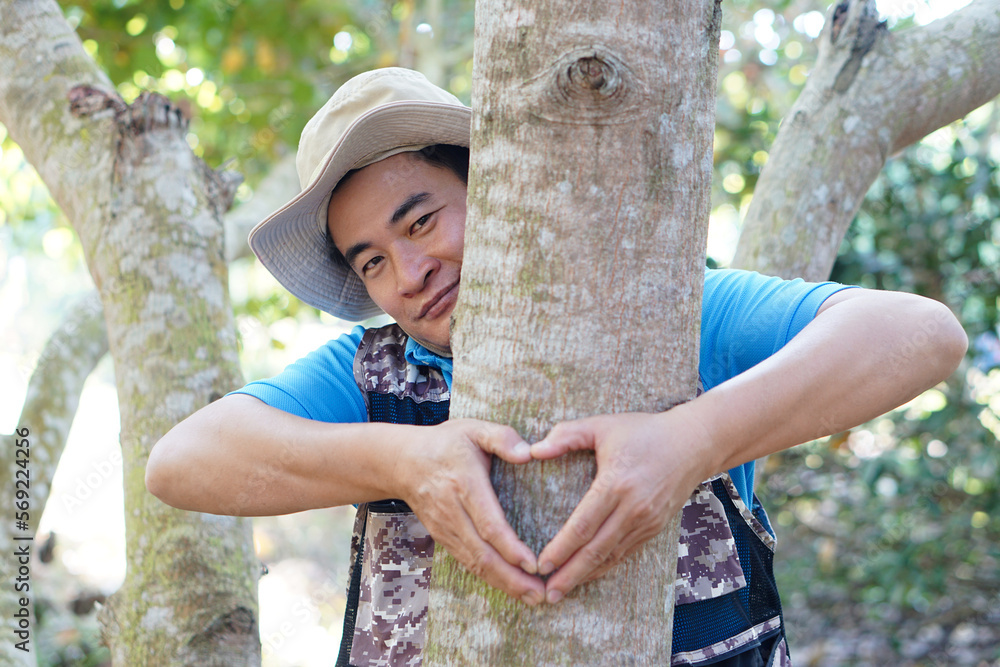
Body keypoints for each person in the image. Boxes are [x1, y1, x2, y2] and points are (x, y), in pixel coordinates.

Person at [145, 68, 967, 666]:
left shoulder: (661, 308)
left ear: (497, 190)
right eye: (371, 263)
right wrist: (402, 459)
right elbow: (182, 462)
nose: (409, 273)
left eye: (422, 220)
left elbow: (919, 333)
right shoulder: (369, 375)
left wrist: (690, 443)